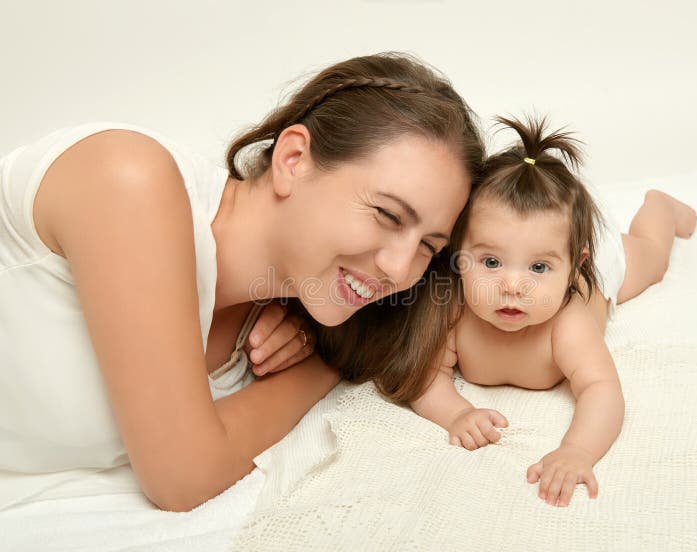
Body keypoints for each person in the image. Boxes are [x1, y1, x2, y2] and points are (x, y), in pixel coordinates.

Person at [0, 52, 484, 512]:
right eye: (387, 214)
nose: (401, 270)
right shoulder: (126, 178)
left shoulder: (282, 320)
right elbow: (183, 476)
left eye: (429, 247)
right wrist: (330, 366)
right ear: (293, 159)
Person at [408, 115, 697, 508]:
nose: (513, 286)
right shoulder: (456, 311)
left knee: (652, 258)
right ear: (459, 259)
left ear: (573, 267)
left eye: (538, 268)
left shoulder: (568, 323)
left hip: (602, 270)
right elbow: (425, 376)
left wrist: (577, 450)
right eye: (491, 262)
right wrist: (457, 414)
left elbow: (602, 390)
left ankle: (660, 206)